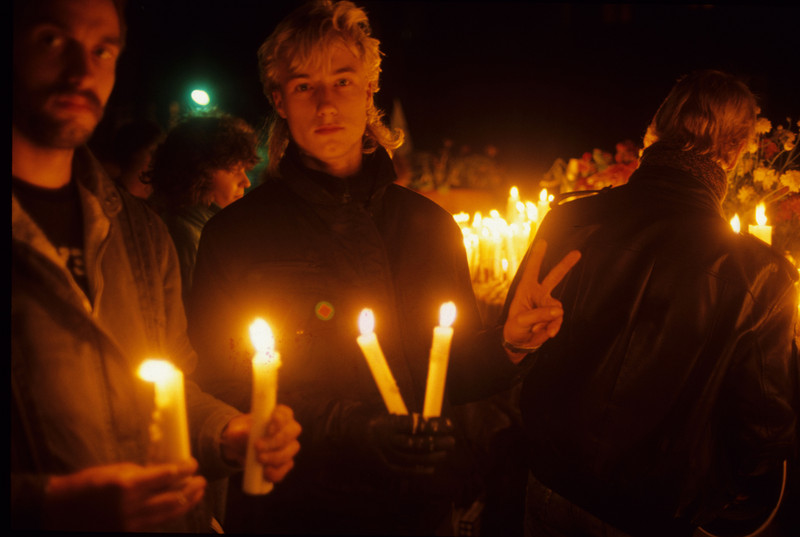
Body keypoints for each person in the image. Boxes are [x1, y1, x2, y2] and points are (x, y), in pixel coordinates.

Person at [186, 1, 578, 534]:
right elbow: (225, 383)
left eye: (343, 81)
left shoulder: (430, 226)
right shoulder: (235, 236)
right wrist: (354, 427)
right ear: (278, 100)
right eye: (304, 86)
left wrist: (507, 344)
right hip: (296, 508)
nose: (326, 103)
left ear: (371, 89)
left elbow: (448, 368)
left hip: (416, 510)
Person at [11, 0, 301, 532]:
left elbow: (171, 389)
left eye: (102, 50)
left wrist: (229, 433)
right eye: (53, 40)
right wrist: (48, 505)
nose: (81, 70)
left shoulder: (140, 233)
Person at [501, 70, 798, 537]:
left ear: (652, 133)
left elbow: (514, 342)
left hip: (551, 485)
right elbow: (764, 430)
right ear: (739, 153)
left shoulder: (571, 219)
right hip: (656, 512)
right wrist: (714, 492)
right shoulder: (761, 274)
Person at [148, 114, 258, 304]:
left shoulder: (211, 230)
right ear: (199, 171)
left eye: (245, 169)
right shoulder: (184, 236)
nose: (245, 181)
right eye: (234, 169)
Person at [108, 118, 163, 199]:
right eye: (154, 153)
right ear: (133, 152)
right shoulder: (109, 200)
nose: (160, 160)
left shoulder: (152, 206)